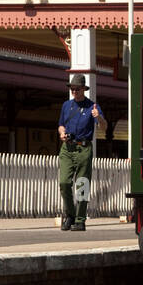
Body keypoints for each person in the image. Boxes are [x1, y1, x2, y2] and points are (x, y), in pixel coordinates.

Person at [57, 74, 105, 231]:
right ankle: (70, 214)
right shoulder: (66, 105)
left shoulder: (93, 107)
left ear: (84, 89)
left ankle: (80, 219)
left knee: (82, 184)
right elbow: (61, 125)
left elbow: (104, 128)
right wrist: (62, 133)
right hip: (67, 148)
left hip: (84, 148)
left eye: (77, 89)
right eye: (72, 89)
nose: (74, 92)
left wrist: (99, 118)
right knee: (64, 182)